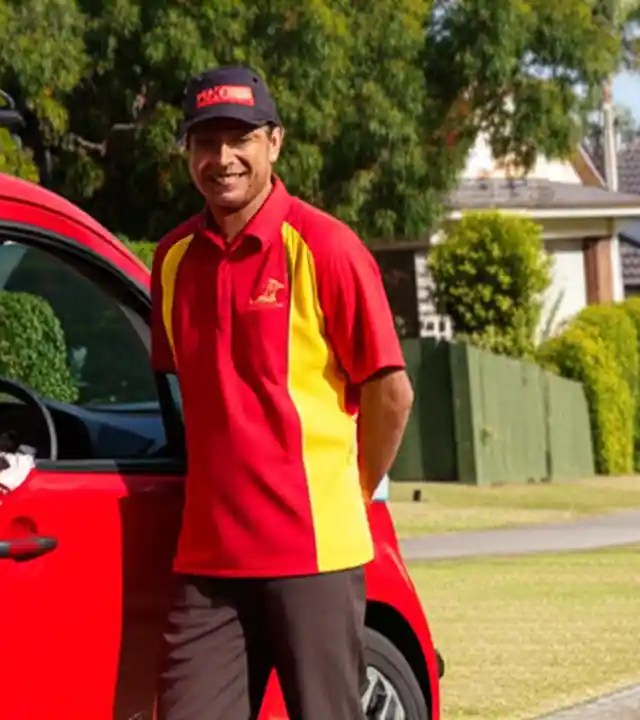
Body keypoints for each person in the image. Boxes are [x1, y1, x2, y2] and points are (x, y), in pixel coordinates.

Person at [149, 65, 415, 720]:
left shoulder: (327, 248)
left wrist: (349, 489)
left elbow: (391, 392)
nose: (222, 159)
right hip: (209, 561)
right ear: (187, 152)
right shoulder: (172, 259)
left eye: (239, 139)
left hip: (313, 558)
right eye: (205, 142)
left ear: (275, 142)